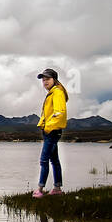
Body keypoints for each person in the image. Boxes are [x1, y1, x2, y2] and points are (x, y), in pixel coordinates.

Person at [32, 68, 67, 197]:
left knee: (44, 161)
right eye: (43, 79)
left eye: (47, 79)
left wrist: (48, 127)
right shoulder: (53, 93)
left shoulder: (57, 92)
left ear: (54, 79)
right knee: (54, 161)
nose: (45, 81)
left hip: (52, 131)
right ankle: (57, 189)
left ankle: (40, 190)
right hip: (52, 131)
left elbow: (59, 113)